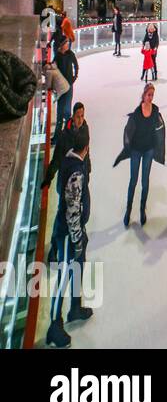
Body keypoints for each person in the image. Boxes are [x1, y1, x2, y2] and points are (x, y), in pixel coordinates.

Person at [45, 130, 92, 348]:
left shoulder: (68, 160)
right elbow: (72, 210)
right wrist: (77, 240)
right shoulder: (76, 172)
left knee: (78, 268)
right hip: (68, 234)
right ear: (87, 148)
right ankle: (54, 326)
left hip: (70, 230)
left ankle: (75, 307)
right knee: (64, 275)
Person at [114, 83, 166, 228]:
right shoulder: (137, 113)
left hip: (149, 150)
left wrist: (158, 144)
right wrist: (127, 147)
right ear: (143, 95)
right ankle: (128, 211)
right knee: (133, 180)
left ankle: (142, 209)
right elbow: (128, 132)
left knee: (145, 181)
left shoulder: (155, 110)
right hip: (136, 150)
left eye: (152, 95)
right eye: (149, 95)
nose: (151, 98)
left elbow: (159, 127)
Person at [54, 40, 78, 130]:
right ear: (62, 46)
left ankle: (68, 131)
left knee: (67, 111)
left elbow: (76, 65)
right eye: (66, 44)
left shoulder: (70, 54)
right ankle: (57, 134)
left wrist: (74, 77)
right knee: (60, 111)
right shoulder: (58, 55)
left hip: (69, 85)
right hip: (60, 86)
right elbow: (53, 67)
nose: (68, 45)